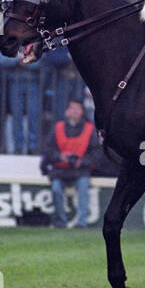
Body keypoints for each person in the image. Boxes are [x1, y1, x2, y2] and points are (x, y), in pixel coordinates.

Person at [40, 98, 98, 228]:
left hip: (80, 169)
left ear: (82, 112)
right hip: (60, 169)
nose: (74, 111)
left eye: (78, 109)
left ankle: (81, 222)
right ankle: (60, 221)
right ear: (66, 111)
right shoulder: (58, 127)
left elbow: (97, 153)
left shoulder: (90, 129)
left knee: (83, 187)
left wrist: (82, 161)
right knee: (56, 189)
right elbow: (48, 149)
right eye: (72, 108)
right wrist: (60, 157)